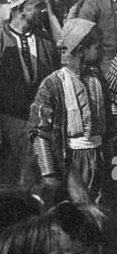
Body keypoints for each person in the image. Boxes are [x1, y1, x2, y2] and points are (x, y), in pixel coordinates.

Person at [29, 17, 111, 208]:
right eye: (97, 48)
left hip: (99, 159)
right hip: (70, 163)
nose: (101, 52)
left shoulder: (98, 79)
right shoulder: (53, 84)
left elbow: (109, 128)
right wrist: (49, 175)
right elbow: (40, 133)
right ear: (82, 51)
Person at [0, 0, 56, 192]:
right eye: (37, 6)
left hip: (42, 122)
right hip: (8, 121)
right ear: (21, 10)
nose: (42, 10)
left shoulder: (45, 41)